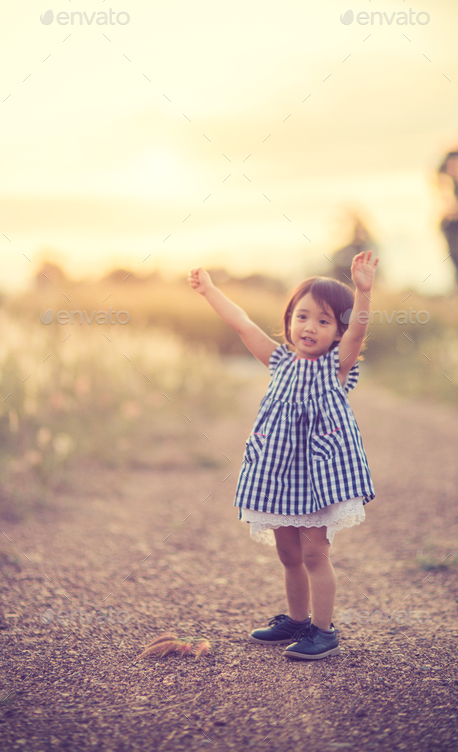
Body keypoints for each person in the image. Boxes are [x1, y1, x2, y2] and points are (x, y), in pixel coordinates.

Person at [187, 252, 378, 661]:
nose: (310, 327)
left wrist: (363, 293)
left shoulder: (336, 366)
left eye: (324, 321)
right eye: (303, 316)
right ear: (290, 319)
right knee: (288, 554)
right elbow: (242, 323)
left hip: (319, 477)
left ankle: (323, 631)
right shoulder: (277, 361)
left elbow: (359, 334)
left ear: (337, 331)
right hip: (278, 475)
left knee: (314, 554)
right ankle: (296, 620)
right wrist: (210, 290)